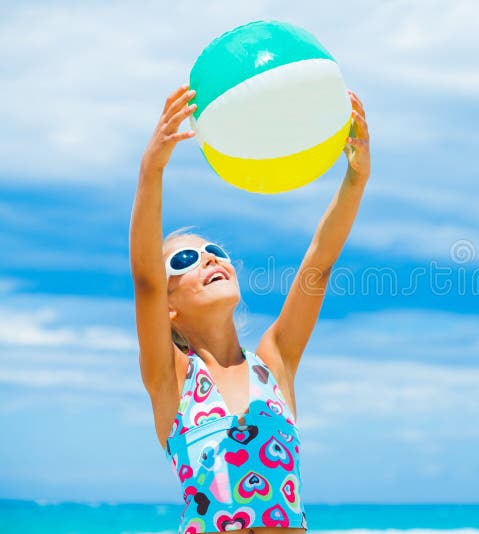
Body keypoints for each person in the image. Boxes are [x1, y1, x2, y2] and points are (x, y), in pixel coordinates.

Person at [129, 83, 371, 534]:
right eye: (184, 260)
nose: (210, 259)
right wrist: (152, 169)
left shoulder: (275, 361)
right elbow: (144, 279)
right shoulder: (172, 379)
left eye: (215, 251)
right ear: (168, 309)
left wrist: (356, 180)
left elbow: (319, 260)